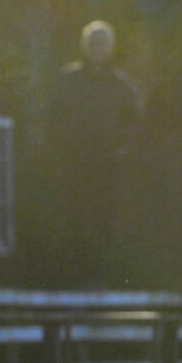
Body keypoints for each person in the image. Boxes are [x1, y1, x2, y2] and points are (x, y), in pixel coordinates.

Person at [43, 20, 143, 274]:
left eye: (103, 43)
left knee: (103, 217)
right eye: (94, 43)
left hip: (106, 165)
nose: (98, 48)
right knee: (72, 216)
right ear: (84, 46)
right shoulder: (68, 79)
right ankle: (71, 273)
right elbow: (52, 117)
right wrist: (63, 146)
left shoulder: (121, 84)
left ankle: (100, 273)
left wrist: (120, 147)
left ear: (111, 47)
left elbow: (134, 121)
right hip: (73, 162)